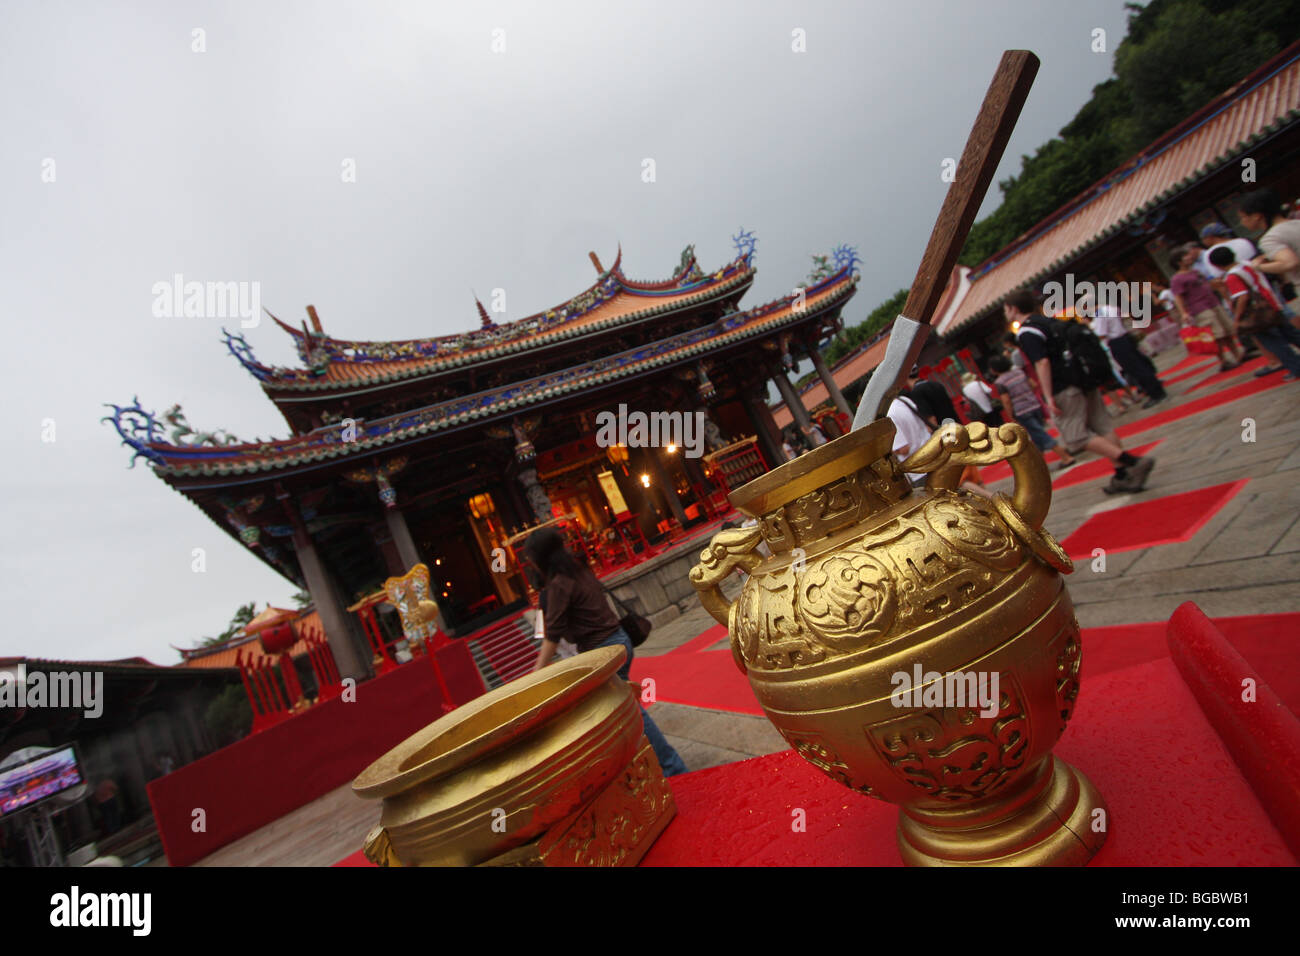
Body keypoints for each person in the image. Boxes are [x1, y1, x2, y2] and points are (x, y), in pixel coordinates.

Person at [524, 527, 687, 777]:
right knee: (622, 708)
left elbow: (551, 635)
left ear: (540, 560)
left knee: (630, 710)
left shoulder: (558, 585)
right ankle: (648, 764)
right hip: (617, 639)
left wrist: (536, 672)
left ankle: (671, 766)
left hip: (603, 648)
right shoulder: (579, 571)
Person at [1005, 289, 1155, 495]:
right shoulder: (1049, 322)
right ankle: (1122, 475)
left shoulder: (1027, 332)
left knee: (1075, 437)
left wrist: (1048, 396)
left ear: (1013, 309)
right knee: (1102, 425)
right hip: (1084, 377)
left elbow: (1042, 362)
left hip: (1064, 386)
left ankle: (1132, 462)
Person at [1208, 244, 1300, 382]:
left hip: (1258, 313)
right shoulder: (1247, 265)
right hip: (1272, 303)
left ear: (1218, 265)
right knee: (1291, 334)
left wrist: (1237, 318)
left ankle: (1296, 367)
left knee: (1274, 342)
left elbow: (1242, 297)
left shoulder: (1232, 276)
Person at [988, 353, 1076, 468]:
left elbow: (1006, 400)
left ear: (994, 369)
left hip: (1022, 410)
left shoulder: (1000, 382)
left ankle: (1065, 457)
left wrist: (1011, 416)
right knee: (1036, 435)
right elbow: (1033, 385)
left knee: (1040, 434)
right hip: (1034, 405)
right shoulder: (1020, 372)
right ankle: (1039, 464)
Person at [1170, 243, 1245, 372]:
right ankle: (1223, 360)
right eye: (1185, 256)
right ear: (1178, 261)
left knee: (1227, 331)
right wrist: (1184, 313)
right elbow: (1178, 297)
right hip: (1200, 308)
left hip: (1213, 302)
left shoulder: (1196, 271)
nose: (1189, 257)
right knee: (1216, 335)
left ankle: (1237, 354)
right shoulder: (1177, 278)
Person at [1090, 301, 1167, 407]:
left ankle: (1155, 393)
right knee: (1139, 364)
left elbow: (1101, 333)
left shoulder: (1099, 313)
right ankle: (1155, 388)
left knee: (1135, 368)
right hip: (1125, 338)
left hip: (1117, 342)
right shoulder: (1111, 307)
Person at [1241, 188, 1300, 304]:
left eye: (1243, 217)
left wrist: (1258, 267)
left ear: (1257, 216)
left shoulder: (1270, 238)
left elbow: (1289, 262)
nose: (1242, 222)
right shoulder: (1297, 223)